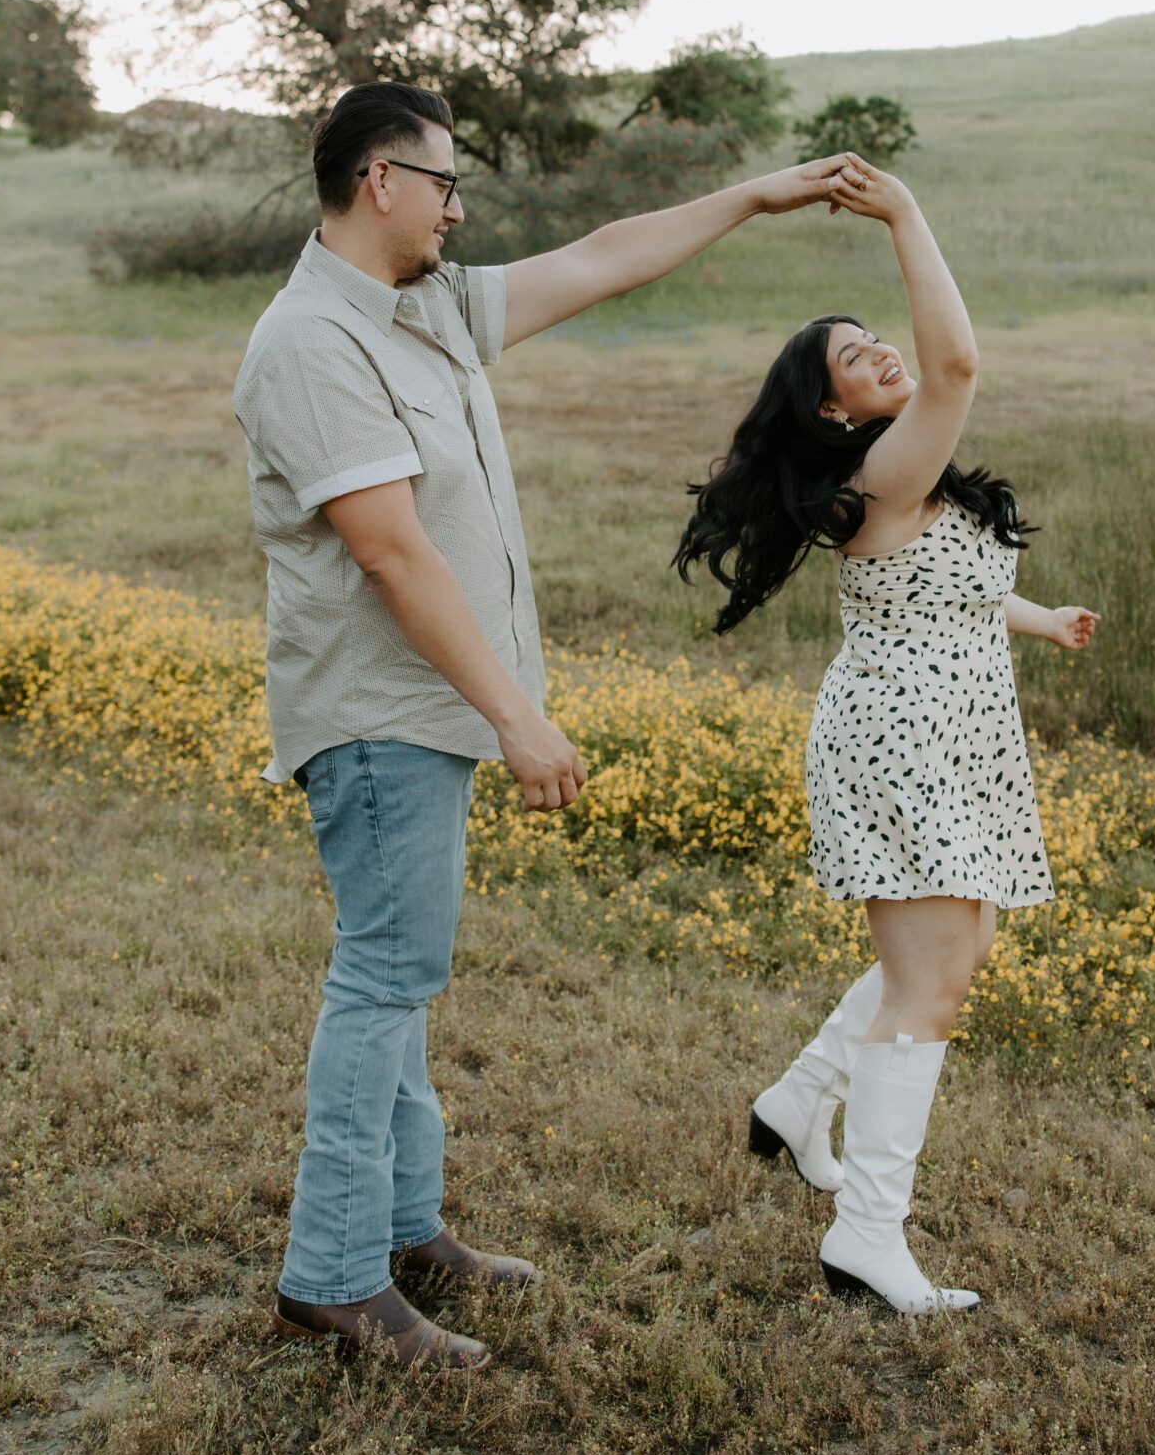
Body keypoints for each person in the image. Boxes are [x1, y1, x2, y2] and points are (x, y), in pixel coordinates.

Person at [234, 80, 856, 1372]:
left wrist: (751, 196)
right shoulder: (310, 344)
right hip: (380, 712)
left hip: (423, 712)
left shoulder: (432, 311)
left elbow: (600, 257)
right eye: (444, 181)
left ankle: (403, 1230)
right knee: (382, 979)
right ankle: (334, 1277)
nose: (459, 206)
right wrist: (517, 716)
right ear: (377, 182)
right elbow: (395, 557)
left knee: (401, 973)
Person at [676, 157, 1097, 1316]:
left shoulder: (911, 486)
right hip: (900, 745)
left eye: (874, 338)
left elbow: (944, 590)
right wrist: (906, 211)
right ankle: (867, 1234)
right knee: (936, 986)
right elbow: (959, 361)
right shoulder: (879, 473)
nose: (883, 353)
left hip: (951, 737)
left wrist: (1039, 615)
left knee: (952, 960)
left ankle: (802, 1100)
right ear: (833, 411)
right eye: (854, 357)